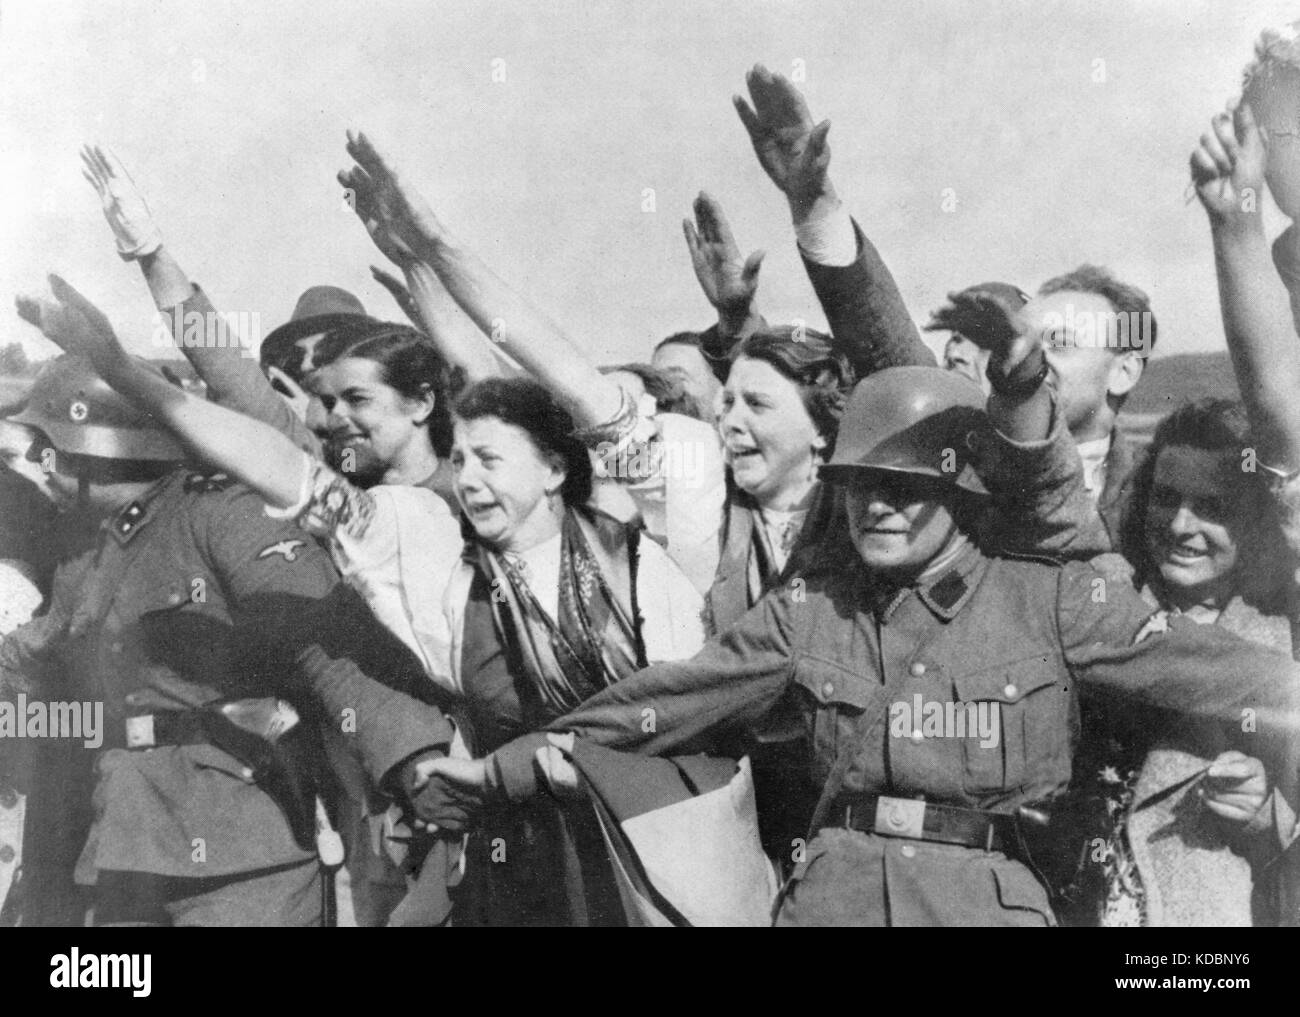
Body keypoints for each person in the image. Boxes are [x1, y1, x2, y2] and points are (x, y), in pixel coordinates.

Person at [415, 365, 1300, 928]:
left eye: (901, 486)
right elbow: (664, 700)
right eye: (855, 484)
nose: (874, 505)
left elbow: (1228, 676)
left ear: (959, 488)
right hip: (830, 899)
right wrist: (505, 768)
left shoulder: (1052, 596)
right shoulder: (810, 611)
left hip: (984, 907)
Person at [0, 348, 457, 925]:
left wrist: (414, 760)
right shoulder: (79, 548)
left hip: (242, 844)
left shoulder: (223, 513)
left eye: (48, 448)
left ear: (97, 447)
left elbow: (325, 650)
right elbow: (47, 681)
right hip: (126, 844)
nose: (38, 466)